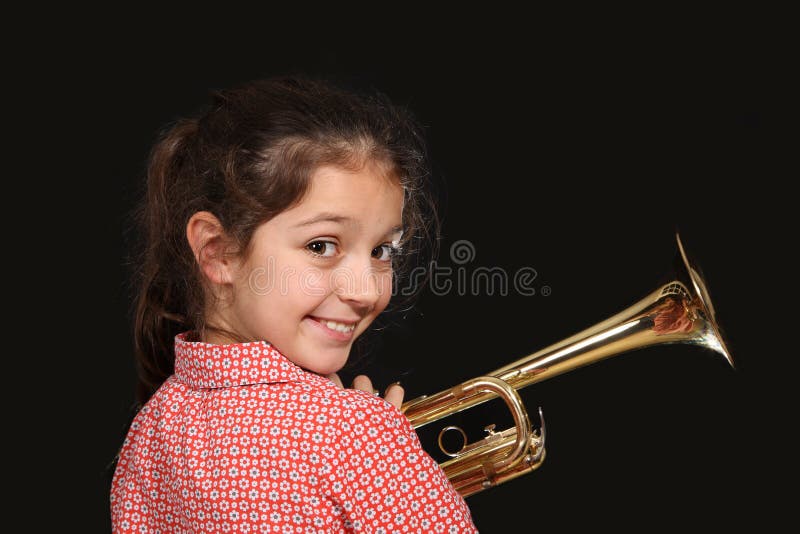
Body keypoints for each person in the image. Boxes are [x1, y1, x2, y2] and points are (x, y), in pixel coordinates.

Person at [110, 76, 478, 533]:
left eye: (383, 251)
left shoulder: (149, 435)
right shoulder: (353, 436)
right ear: (218, 251)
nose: (365, 290)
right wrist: (379, 448)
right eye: (322, 246)